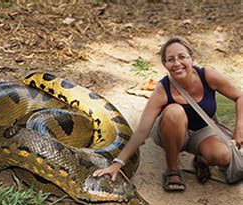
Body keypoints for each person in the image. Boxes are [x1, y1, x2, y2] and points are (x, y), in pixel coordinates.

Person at [93, 36, 243, 191]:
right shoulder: (162, 90)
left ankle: (202, 159)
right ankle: (172, 169)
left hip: (202, 131)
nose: (177, 63)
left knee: (222, 156)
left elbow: (239, 96)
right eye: (170, 59)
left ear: (192, 59)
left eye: (182, 57)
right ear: (165, 64)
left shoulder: (207, 76)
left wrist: (239, 130)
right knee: (175, 111)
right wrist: (118, 163)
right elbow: (142, 131)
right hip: (170, 130)